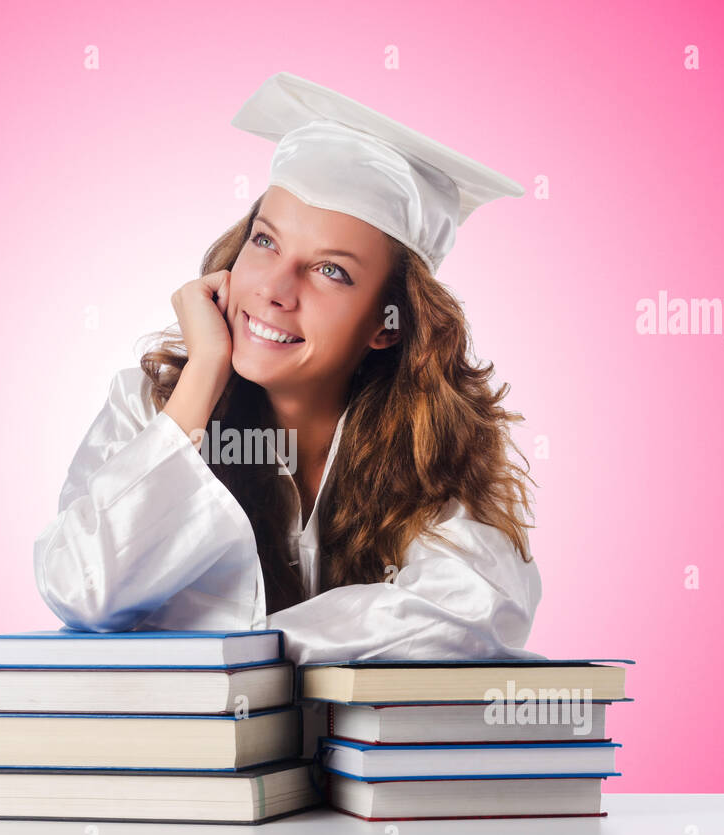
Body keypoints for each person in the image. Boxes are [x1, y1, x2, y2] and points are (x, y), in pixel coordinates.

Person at [33, 73, 545, 690]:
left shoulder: (433, 447)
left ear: (388, 325)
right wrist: (202, 378)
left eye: (331, 271)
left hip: (356, 781)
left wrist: (235, 653)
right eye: (266, 241)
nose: (274, 290)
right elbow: (82, 587)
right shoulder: (151, 409)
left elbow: (476, 610)